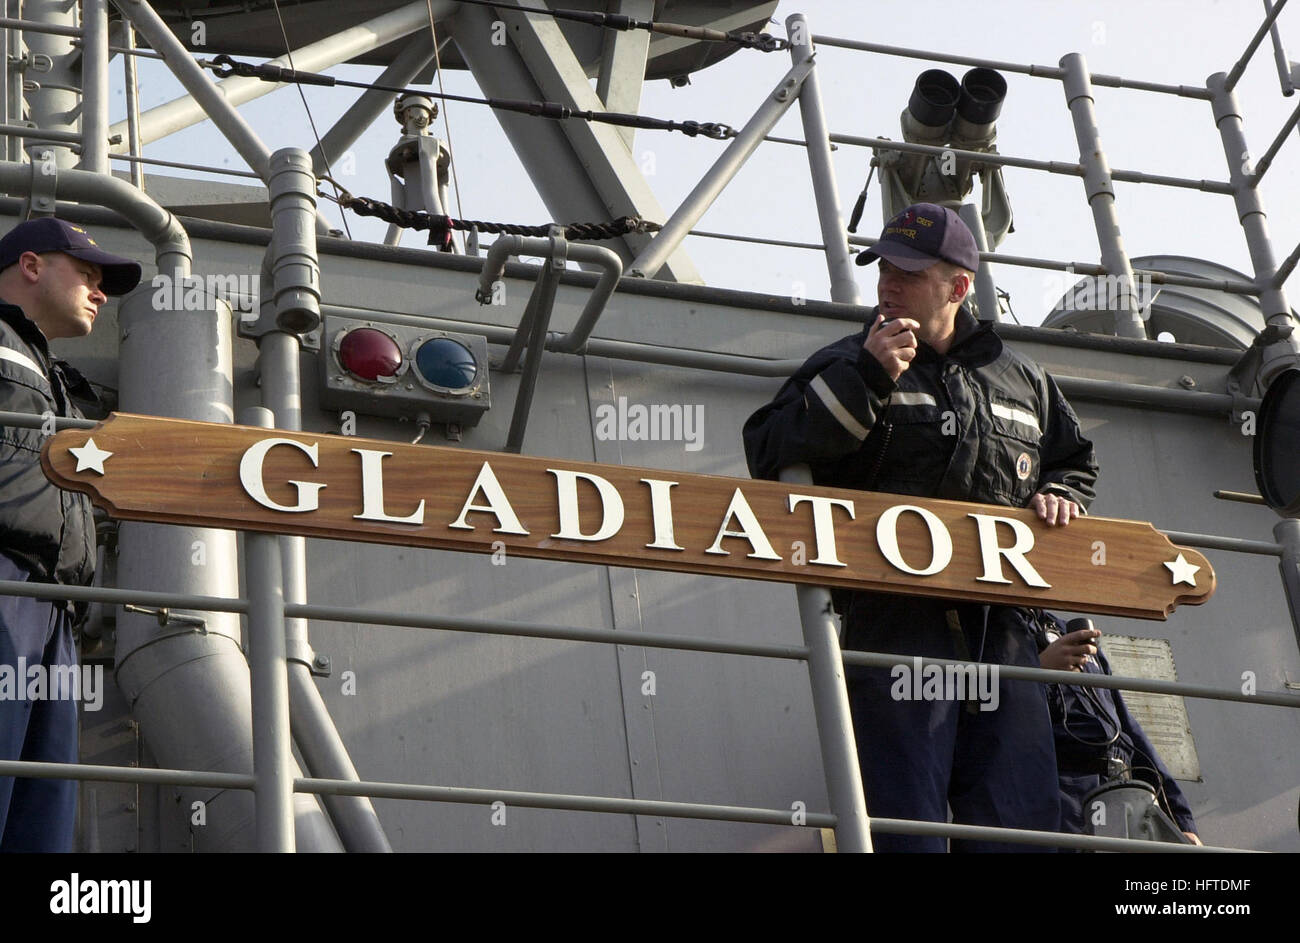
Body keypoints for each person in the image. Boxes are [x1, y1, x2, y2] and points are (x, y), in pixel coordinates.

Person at [743, 202, 1098, 852]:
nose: (887, 282)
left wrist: (1058, 493)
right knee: (906, 828)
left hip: (1007, 637)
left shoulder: (1024, 380)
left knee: (1018, 827)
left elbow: (1074, 460)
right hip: (895, 631)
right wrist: (867, 380)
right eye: (884, 267)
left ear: (958, 287)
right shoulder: (845, 361)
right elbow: (768, 447)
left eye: (907, 272)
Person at [0, 217, 140, 851]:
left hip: (54, 610)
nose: (100, 290)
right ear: (31, 266)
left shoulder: (51, 372)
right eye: (86, 273)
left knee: (40, 823)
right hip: (4, 583)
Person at [1035, 613, 1201, 846]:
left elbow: (1127, 728)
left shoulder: (1068, 631)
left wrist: (1179, 819)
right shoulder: (999, 629)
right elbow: (983, 701)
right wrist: (1037, 668)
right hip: (1062, 793)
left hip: (1122, 793)